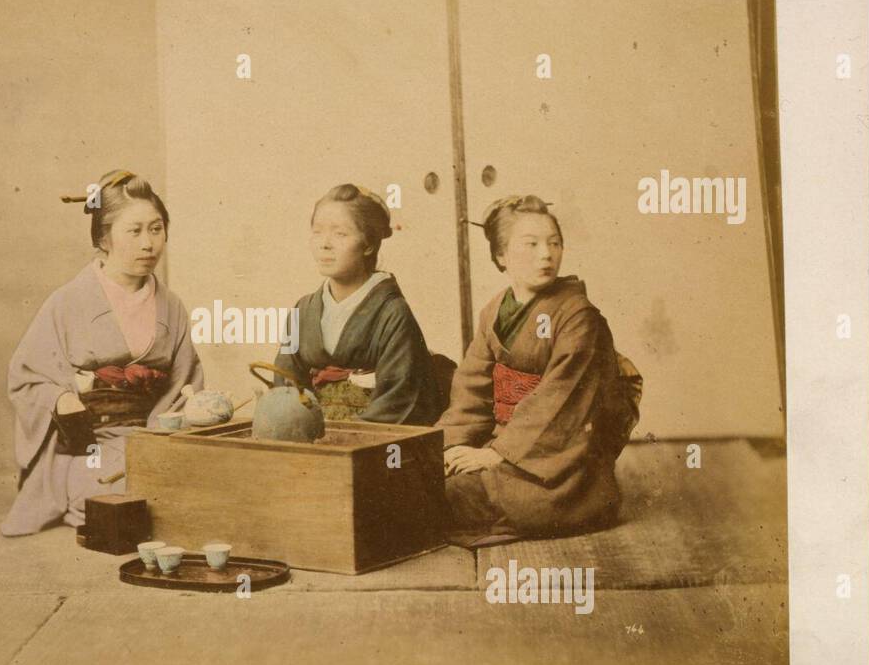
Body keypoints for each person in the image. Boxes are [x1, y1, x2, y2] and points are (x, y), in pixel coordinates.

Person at [0, 169, 203, 536]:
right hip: (91, 443)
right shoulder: (67, 302)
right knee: (125, 497)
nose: (148, 244)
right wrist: (61, 396)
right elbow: (26, 377)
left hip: (152, 436)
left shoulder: (171, 306)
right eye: (135, 231)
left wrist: (158, 437)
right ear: (104, 238)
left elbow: (184, 384)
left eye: (156, 229)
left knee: (201, 483)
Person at [436, 194, 641, 542]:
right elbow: (472, 388)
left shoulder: (579, 317)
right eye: (530, 244)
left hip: (557, 461)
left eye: (554, 243)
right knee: (426, 475)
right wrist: (451, 445)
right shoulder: (495, 310)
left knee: (452, 496)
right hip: (508, 442)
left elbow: (558, 403)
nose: (547, 254)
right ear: (501, 256)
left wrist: (495, 454)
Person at [272, 184, 442, 425]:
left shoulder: (392, 312)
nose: (324, 244)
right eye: (317, 232)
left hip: (372, 438)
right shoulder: (303, 309)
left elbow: (399, 397)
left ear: (369, 244)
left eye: (340, 234)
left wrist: (344, 436)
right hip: (312, 433)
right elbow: (285, 380)